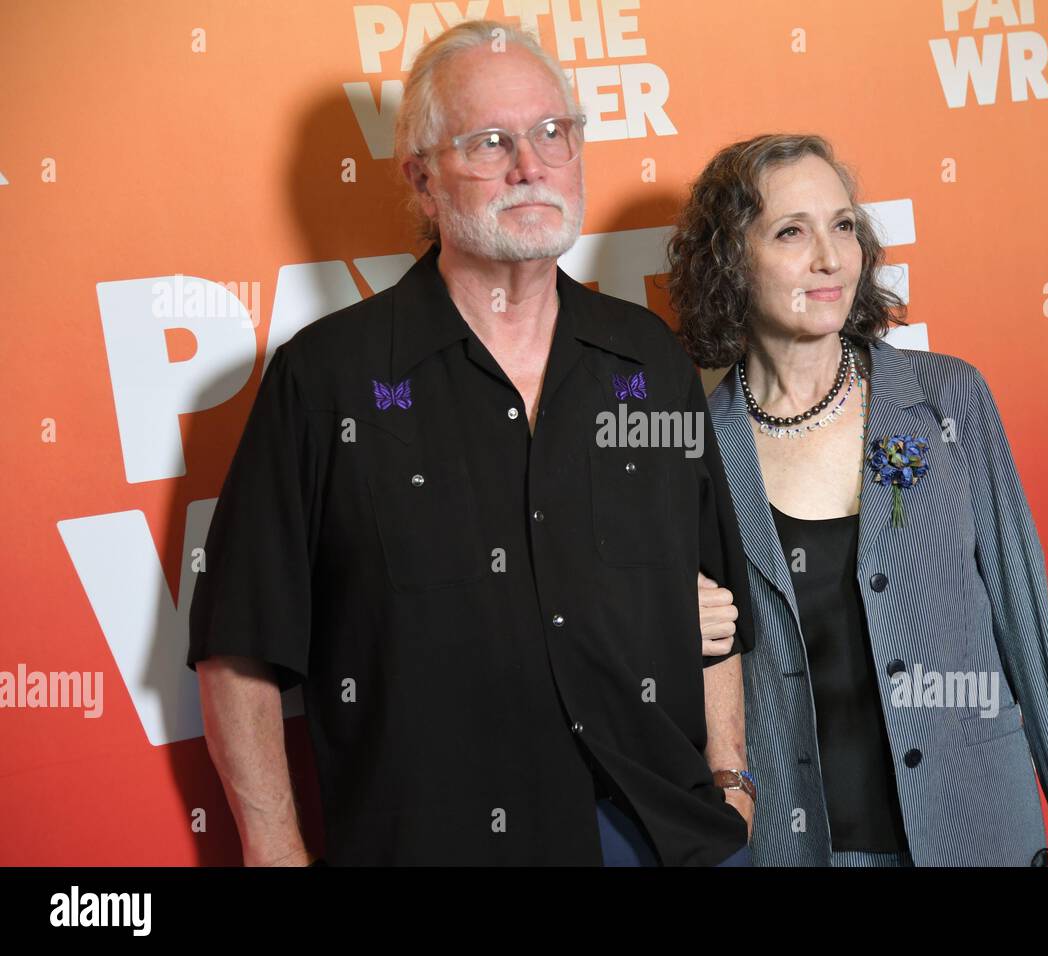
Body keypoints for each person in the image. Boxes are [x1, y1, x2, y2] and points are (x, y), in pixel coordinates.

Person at [187, 20, 756, 867]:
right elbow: (240, 646)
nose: (531, 166)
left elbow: (714, 600)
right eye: (490, 143)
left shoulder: (648, 358)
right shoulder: (325, 380)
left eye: (552, 134)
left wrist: (731, 781)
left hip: (661, 837)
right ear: (421, 181)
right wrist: (275, 855)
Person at [669, 133, 1048, 866]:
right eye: (793, 231)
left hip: (978, 832)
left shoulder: (949, 398)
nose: (831, 257)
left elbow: (1027, 625)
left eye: (843, 225)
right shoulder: (696, 451)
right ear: (730, 262)